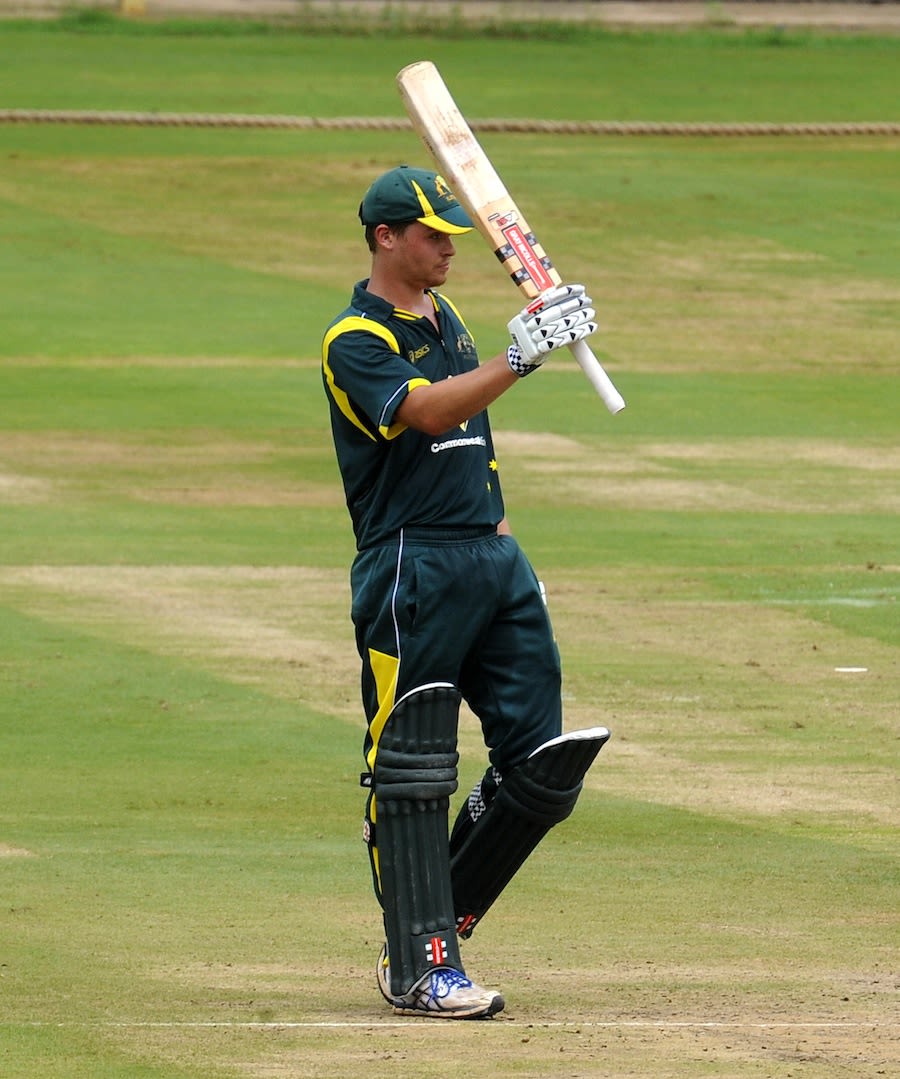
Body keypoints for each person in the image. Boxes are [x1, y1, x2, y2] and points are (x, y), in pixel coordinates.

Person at [321, 165, 609, 1020]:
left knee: (543, 766)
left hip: (488, 557)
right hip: (412, 567)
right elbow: (432, 414)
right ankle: (419, 965)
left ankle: (430, 924)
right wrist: (520, 356)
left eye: (451, 231)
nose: (449, 245)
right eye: (431, 233)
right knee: (413, 764)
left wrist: (506, 541)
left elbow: (472, 443)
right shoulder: (355, 339)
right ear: (384, 238)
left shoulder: (445, 317)